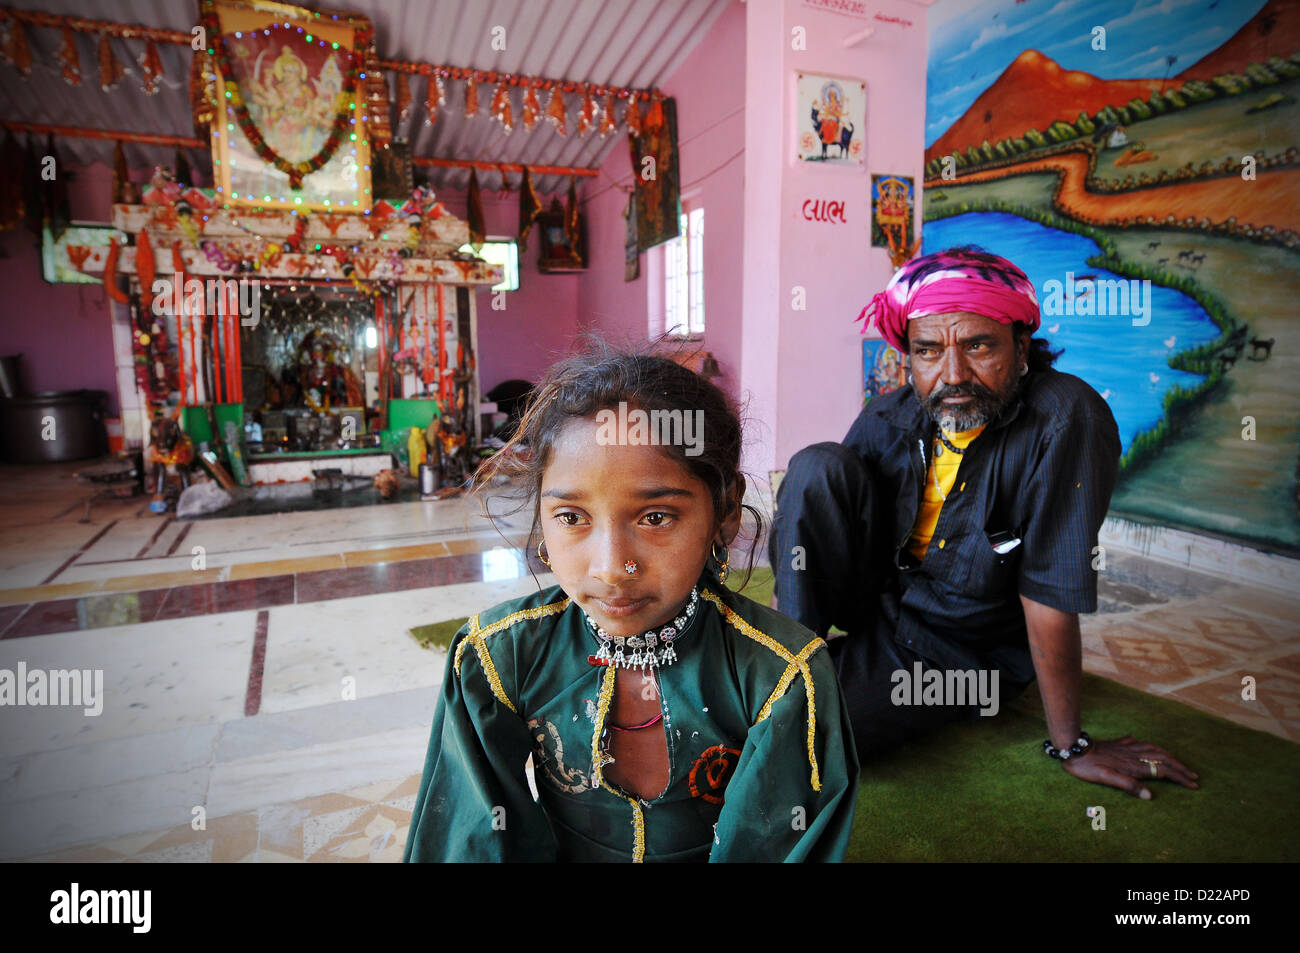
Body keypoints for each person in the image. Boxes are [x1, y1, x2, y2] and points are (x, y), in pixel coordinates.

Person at [769, 248, 1200, 801]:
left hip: (959, 653)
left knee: (796, 736)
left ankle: (804, 698)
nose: (952, 374)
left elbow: (1050, 589)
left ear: (1020, 348)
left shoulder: (1066, 419)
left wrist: (1072, 745)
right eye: (927, 351)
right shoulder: (889, 414)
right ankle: (786, 666)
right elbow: (821, 530)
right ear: (908, 357)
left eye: (978, 345)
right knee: (815, 465)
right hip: (880, 605)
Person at [404, 346, 859, 862]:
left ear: (726, 510)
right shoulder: (495, 660)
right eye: (572, 517)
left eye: (656, 517)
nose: (610, 567)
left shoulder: (780, 676)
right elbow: (471, 842)